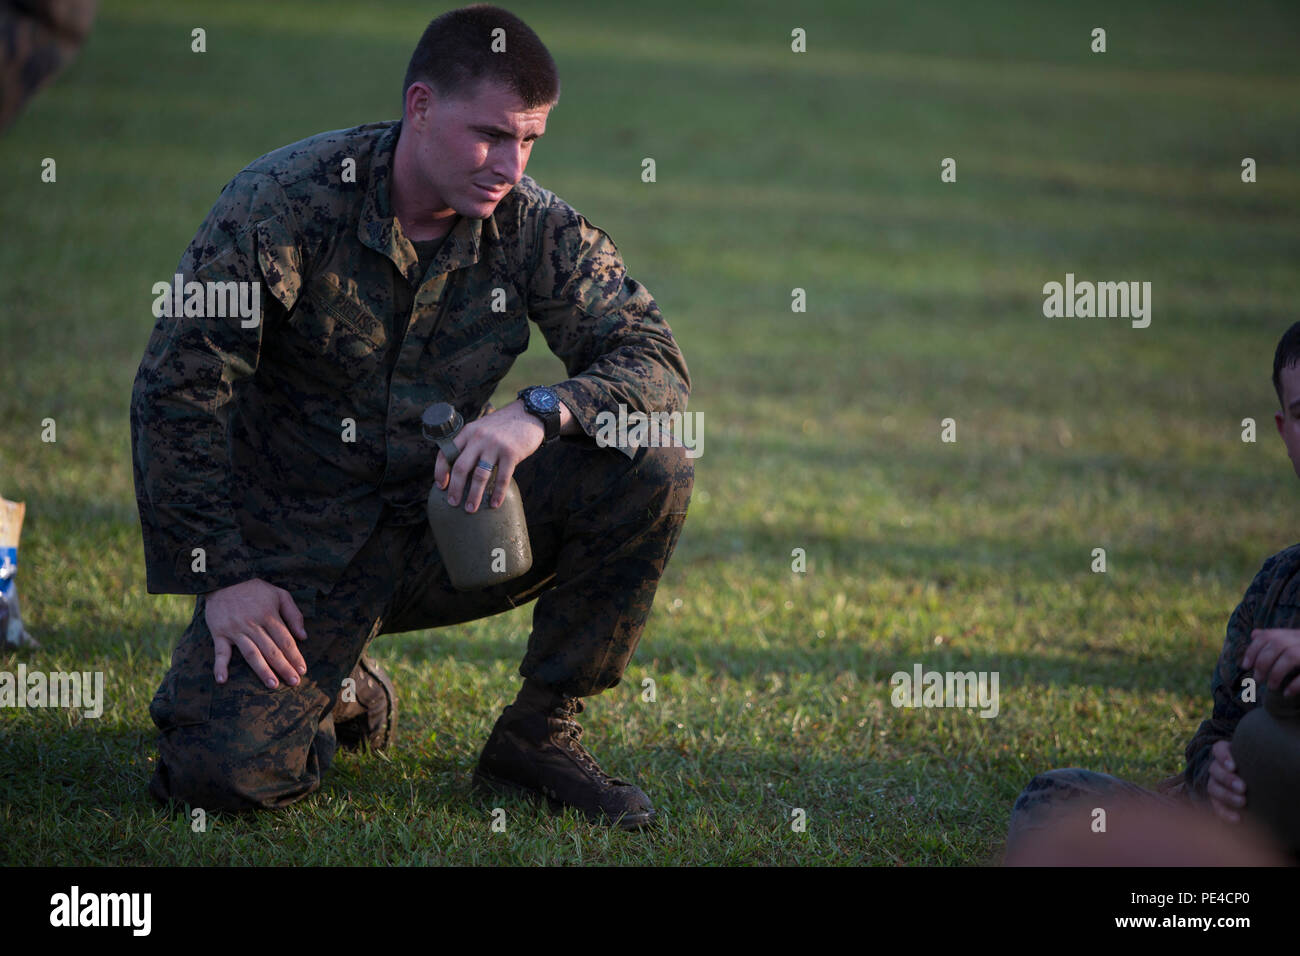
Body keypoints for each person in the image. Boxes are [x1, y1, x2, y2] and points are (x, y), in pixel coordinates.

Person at [130, 4, 693, 831]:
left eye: (529, 139)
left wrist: (539, 412)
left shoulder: (529, 223)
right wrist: (226, 577)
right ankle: (341, 684)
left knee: (655, 457)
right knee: (223, 781)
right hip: (296, 552)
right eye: (491, 135)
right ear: (420, 107)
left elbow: (655, 361)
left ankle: (539, 731)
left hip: (448, 522)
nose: (510, 162)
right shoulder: (282, 203)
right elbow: (178, 389)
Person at [1004, 321, 1300, 860]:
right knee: (1057, 803)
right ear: (1284, 432)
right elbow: (1219, 732)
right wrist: (1216, 774)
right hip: (1251, 847)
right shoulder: (1277, 583)